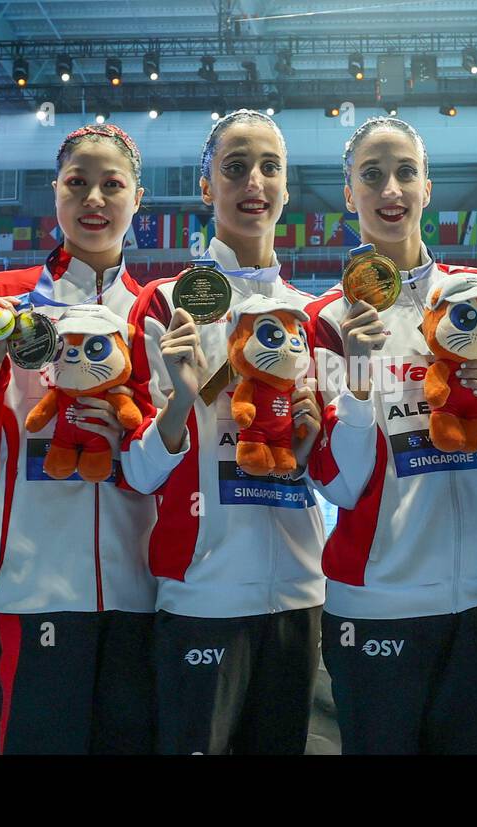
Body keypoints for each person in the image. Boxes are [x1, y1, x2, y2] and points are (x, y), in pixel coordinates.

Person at [305, 116, 477, 754]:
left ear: (428, 187)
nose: (390, 188)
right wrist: (357, 379)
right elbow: (339, 484)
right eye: (371, 176)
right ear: (350, 194)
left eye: (405, 172)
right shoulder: (327, 319)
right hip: (376, 599)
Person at [122, 110, 324, 755]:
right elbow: (139, 471)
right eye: (235, 167)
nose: (254, 182)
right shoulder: (164, 303)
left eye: (270, 168)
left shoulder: (314, 317)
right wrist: (188, 398)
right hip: (202, 592)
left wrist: (313, 436)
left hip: (298, 590)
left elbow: (322, 465)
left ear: (287, 188)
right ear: (206, 186)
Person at [0, 123, 156, 754]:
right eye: (78, 184)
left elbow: (169, 442)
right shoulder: (0, 298)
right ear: (56, 193)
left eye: (111, 185)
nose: (94, 199)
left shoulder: (155, 307)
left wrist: (130, 445)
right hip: (32, 579)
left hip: (139, 582)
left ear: (137, 198)